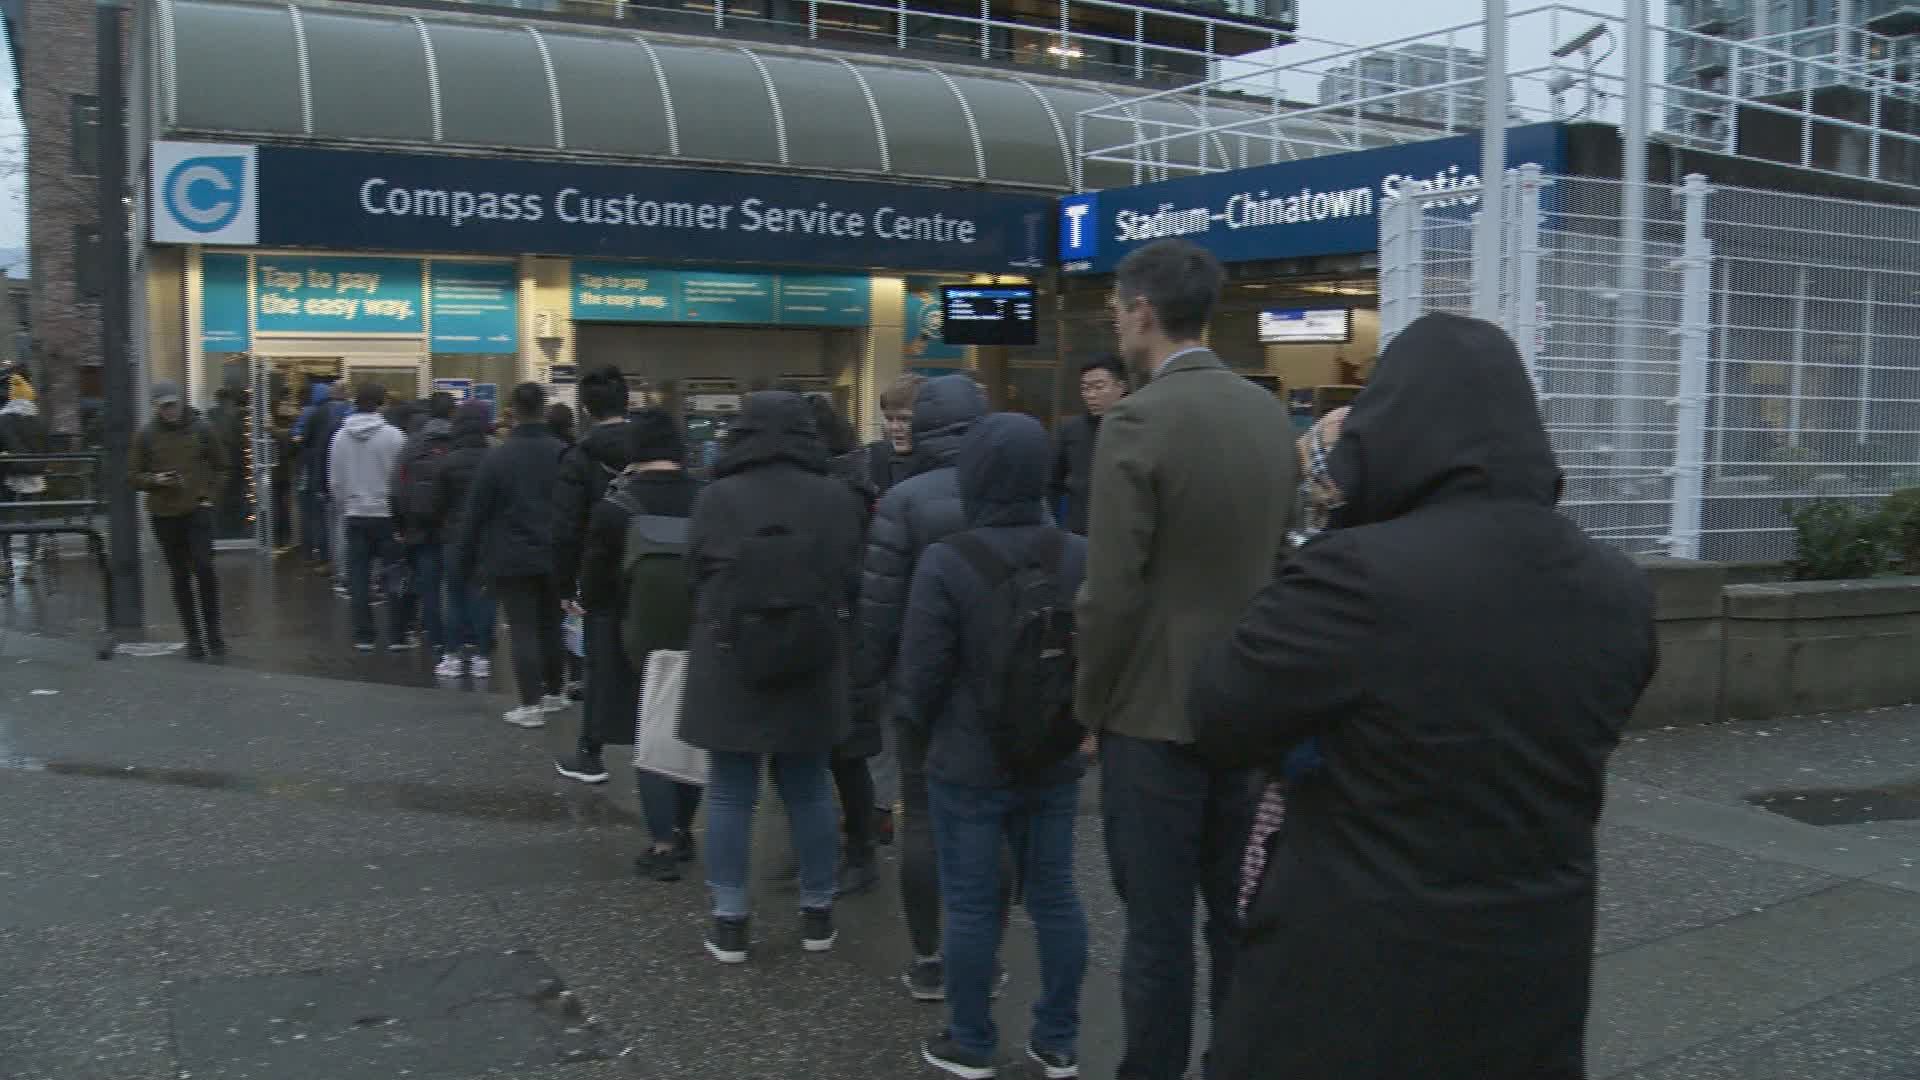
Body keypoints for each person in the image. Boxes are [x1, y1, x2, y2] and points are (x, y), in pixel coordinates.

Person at [1188, 313, 1660, 1080]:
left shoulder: (1358, 578)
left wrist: (1325, 519)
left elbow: (1222, 711)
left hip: (1352, 986)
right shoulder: (1619, 591)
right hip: (1533, 973)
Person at [1076, 238, 1298, 1080]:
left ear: (1140, 311)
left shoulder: (1135, 421)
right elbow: (1278, 561)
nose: (1116, 328)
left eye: (1116, 312)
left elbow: (1111, 593)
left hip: (1151, 716)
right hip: (1246, 709)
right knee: (1237, 915)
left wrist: (1087, 703)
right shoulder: (1266, 413)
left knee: (1157, 932)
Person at [902, 412, 1090, 1080]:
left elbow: (920, 674)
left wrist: (919, 733)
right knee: (1056, 897)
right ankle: (1058, 1039)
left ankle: (973, 1040)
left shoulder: (947, 559)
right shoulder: (1077, 552)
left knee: (975, 905)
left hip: (969, 759)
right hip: (1056, 752)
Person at [679, 391, 865, 965]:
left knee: (732, 792)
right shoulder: (835, 495)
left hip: (731, 659)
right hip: (811, 657)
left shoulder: (715, 497)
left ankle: (731, 921)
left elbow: (696, 573)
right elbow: (852, 577)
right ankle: (817, 916)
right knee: (808, 788)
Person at [855, 373, 990, 1000]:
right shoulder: (1015, 491)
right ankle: (983, 955)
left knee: (925, 821)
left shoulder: (904, 502)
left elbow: (879, 607)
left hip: (920, 681)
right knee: (993, 819)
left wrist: (866, 685)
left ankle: (931, 957)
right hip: (1000, 683)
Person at [576, 410, 702, 875]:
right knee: (691, 736)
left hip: (634, 638)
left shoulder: (616, 506)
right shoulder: (706, 500)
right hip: (698, 636)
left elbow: (593, 586)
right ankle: (687, 830)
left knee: (648, 737)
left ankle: (663, 846)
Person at [457, 382, 571, 728]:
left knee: (523, 629)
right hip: (555, 553)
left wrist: (467, 560)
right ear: (542, 408)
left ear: (514, 411)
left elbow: (476, 513)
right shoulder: (563, 452)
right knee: (553, 625)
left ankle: (530, 705)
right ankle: (555, 693)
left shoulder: (499, 457)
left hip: (511, 555)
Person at [808, 394, 886, 896]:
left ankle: (856, 851)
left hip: (837, 632)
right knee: (845, 753)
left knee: (842, 753)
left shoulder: (835, 492)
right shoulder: (858, 482)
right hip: (852, 632)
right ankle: (852, 849)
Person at [553, 367, 634, 781]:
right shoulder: (652, 449)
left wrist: (566, 586)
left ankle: (591, 753)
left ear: (586, 409)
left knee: (599, 662)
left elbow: (566, 527)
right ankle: (656, 750)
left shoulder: (580, 456)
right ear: (628, 402)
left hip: (598, 572)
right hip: (648, 568)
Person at [131, 381, 229, 659]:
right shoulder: (146, 435)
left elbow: (222, 465)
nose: (169, 410)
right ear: (156, 407)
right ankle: (193, 636)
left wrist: (210, 496)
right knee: (179, 575)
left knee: (204, 566)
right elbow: (133, 476)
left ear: (181, 402)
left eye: (172, 404)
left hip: (197, 509)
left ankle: (214, 633)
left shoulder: (202, 428)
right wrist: (155, 480)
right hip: (164, 513)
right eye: (163, 406)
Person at [329, 383, 410, 653]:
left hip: (355, 515)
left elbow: (336, 482)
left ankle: (364, 635)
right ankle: (398, 634)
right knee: (395, 574)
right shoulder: (394, 437)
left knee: (359, 577)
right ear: (381, 403)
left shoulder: (340, 437)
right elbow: (402, 479)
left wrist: (346, 506)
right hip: (387, 515)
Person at [435, 400, 498, 679]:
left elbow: (437, 504)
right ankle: (482, 656)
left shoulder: (448, 460)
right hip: (486, 539)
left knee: (455, 597)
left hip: (454, 538)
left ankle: (452, 655)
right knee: (484, 598)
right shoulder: (495, 457)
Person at [392, 398, 457, 660]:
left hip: (420, 526)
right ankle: (459, 637)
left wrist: (401, 524)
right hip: (452, 527)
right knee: (455, 586)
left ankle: (436, 638)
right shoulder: (458, 443)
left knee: (428, 586)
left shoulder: (412, 444)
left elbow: (396, 489)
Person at [1050, 357, 1126, 536]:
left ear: (1121, 387)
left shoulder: (1140, 428)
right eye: (1085, 388)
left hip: (1123, 532)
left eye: (1099, 387)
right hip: (1079, 533)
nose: (1090, 395)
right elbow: (1052, 483)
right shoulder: (1070, 430)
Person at [293, 380, 348, 572]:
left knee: (316, 516)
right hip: (344, 473)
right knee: (338, 520)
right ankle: (338, 562)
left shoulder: (314, 413)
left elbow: (302, 440)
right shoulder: (349, 411)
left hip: (316, 471)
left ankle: (319, 555)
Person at [0, 372, 50, 580]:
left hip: (7, 474)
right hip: (34, 475)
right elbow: (45, 448)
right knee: (31, 523)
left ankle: (5, 564)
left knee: (5, 521)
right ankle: (29, 564)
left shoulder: (2, 419)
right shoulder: (38, 420)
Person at [864, 373, 925, 500]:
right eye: (889, 419)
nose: (894, 427)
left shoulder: (944, 464)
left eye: (904, 419)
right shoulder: (869, 460)